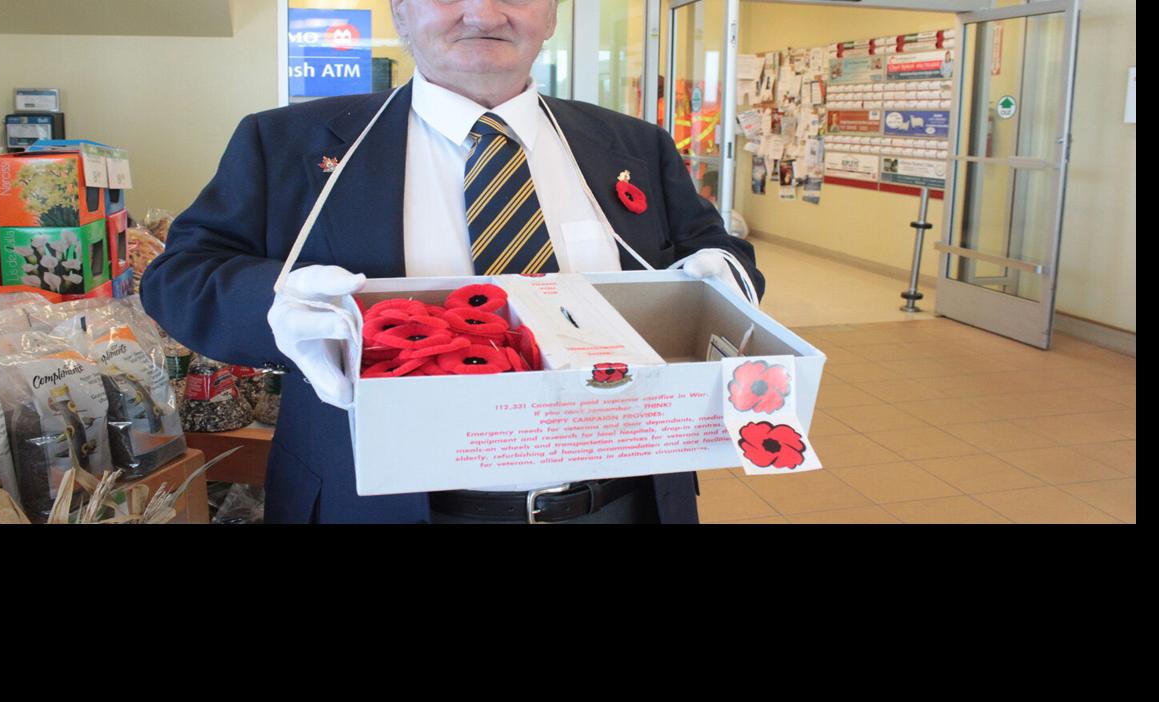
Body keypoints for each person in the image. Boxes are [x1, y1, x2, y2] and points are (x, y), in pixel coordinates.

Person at [141, 0, 763, 523]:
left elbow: (714, 251)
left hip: (622, 501)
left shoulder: (633, 144)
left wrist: (726, 277)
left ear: (550, 14)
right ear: (401, 13)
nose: (482, 12)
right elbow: (182, 274)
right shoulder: (286, 144)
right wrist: (274, 307)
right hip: (374, 502)